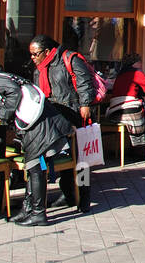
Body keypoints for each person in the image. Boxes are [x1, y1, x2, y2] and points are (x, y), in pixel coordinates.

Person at [0, 62, 73, 227]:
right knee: (34, 168)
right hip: (39, 125)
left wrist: (2, 114)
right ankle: (29, 210)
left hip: (40, 127)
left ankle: (38, 214)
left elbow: (14, 92)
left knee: (35, 168)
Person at [29, 34, 95, 210]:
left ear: (48, 51)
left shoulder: (70, 59)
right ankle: (69, 194)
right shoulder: (40, 68)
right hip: (54, 117)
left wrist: (85, 104)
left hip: (75, 113)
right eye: (32, 54)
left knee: (82, 161)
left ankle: (84, 197)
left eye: (36, 54)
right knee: (64, 156)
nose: (33, 58)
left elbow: (85, 83)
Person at [107, 53, 145, 146]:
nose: (141, 65)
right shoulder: (136, 73)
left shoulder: (120, 74)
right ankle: (141, 143)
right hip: (129, 112)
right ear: (135, 63)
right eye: (140, 62)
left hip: (114, 112)